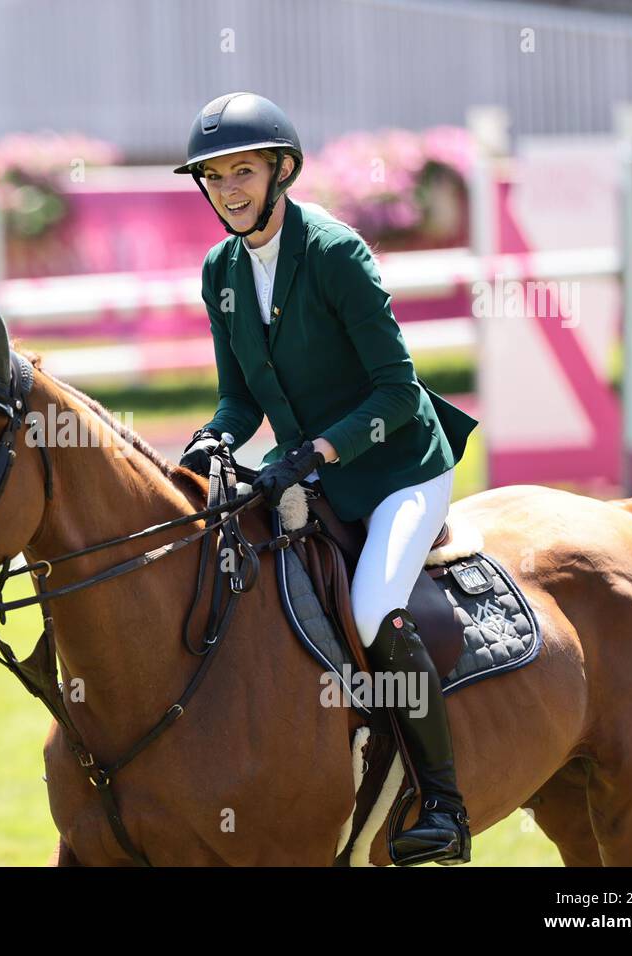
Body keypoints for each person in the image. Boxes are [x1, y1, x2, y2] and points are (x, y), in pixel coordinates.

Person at [174, 91, 481, 866]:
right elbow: (240, 399)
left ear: (282, 170)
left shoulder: (337, 252)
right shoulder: (221, 271)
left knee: (375, 607)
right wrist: (214, 437)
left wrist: (317, 454)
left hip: (399, 469)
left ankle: (444, 806)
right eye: (213, 178)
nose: (228, 190)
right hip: (311, 481)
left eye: (242, 171)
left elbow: (398, 390)